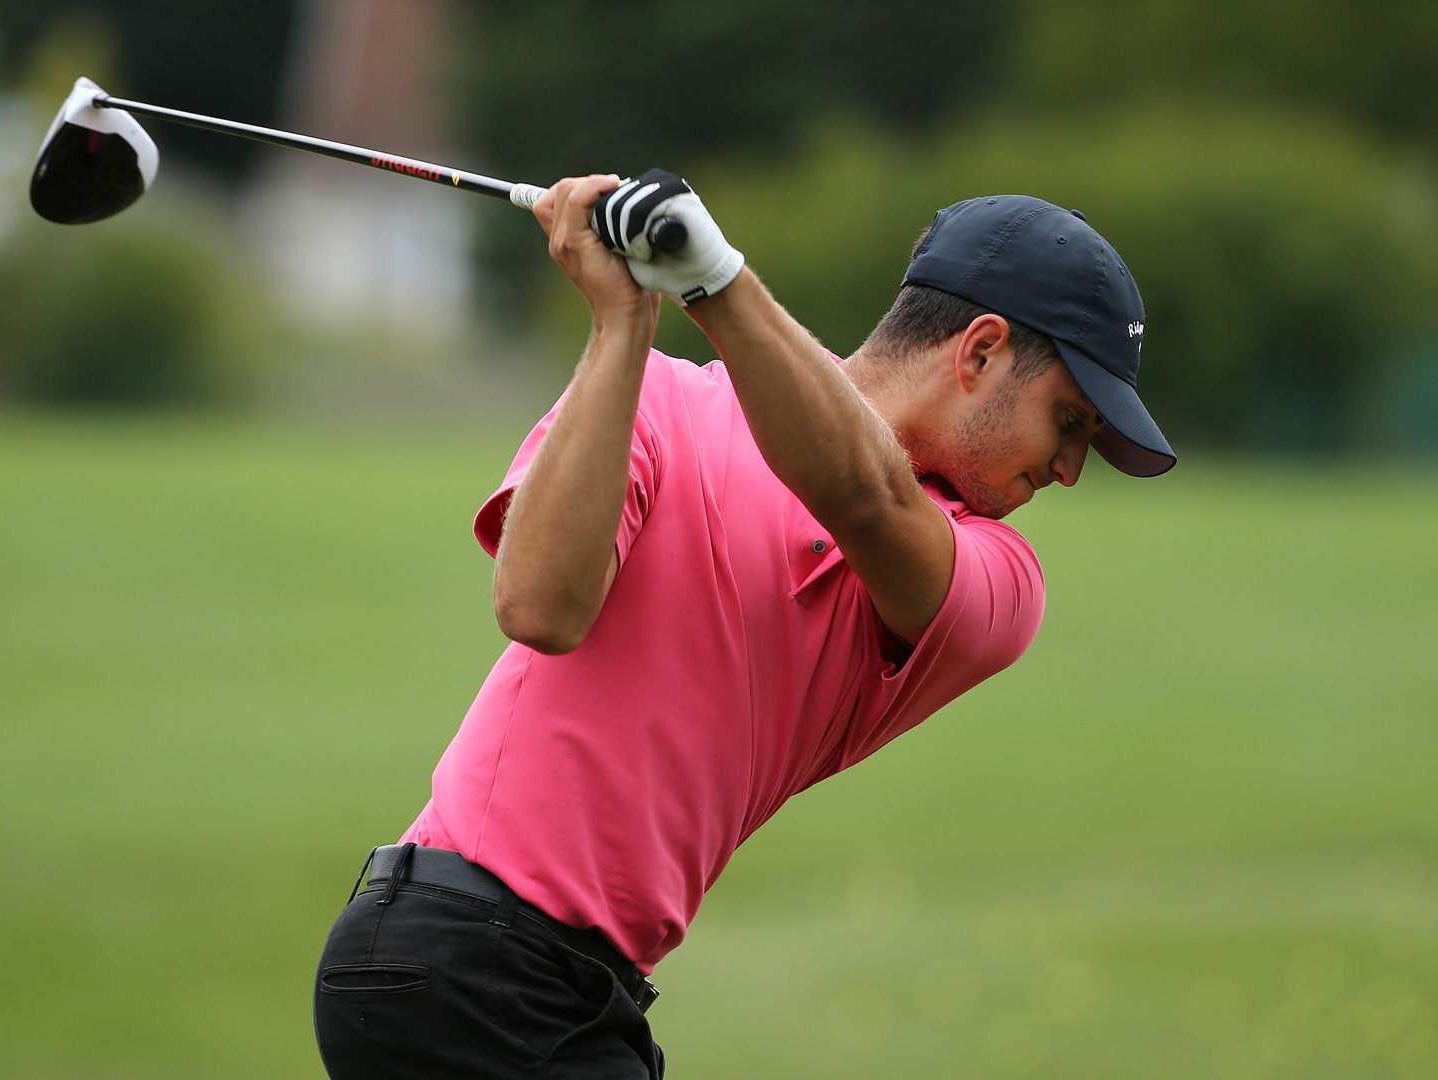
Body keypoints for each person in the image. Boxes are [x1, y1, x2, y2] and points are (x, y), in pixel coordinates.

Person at [312, 170, 1176, 1079]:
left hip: (553, 991)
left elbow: (866, 496)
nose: (1072, 469)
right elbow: (540, 608)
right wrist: (623, 326)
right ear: (981, 352)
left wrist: (714, 280)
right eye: (1068, 421)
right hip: (464, 955)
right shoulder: (660, 400)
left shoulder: (996, 583)